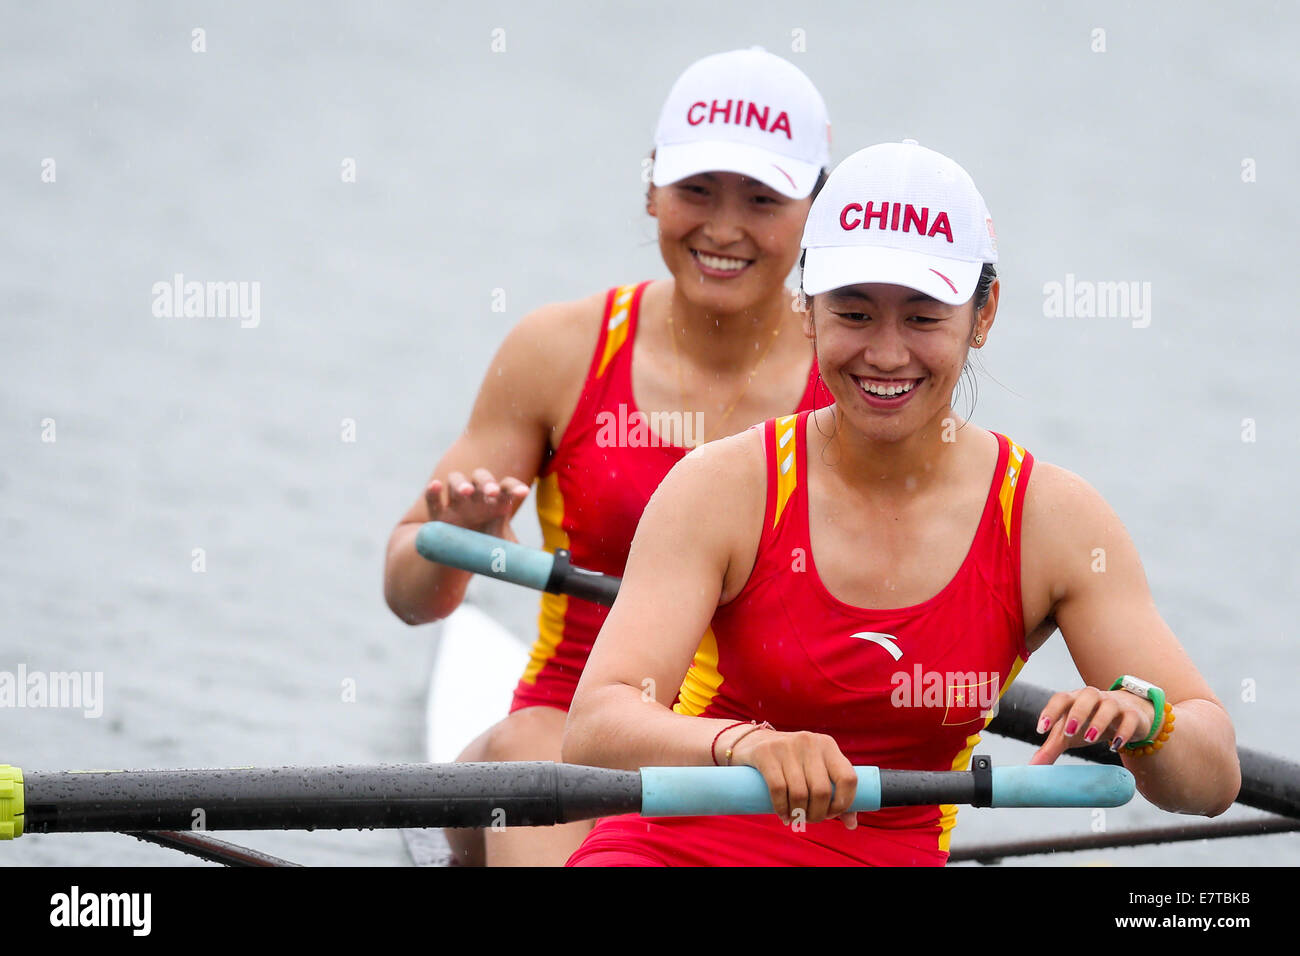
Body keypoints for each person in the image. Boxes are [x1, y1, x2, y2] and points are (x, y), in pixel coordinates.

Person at [563, 141, 1241, 866]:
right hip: (670, 852)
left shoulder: (1052, 522)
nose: (886, 355)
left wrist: (1150, 720)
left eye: (922, 319)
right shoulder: (723, 487)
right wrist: (744, 744)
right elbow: (596, 726)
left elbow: (1213, 780)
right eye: (855, 314)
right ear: (807, 310)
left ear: (983, 315)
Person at [383, 48, 835, 865]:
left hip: (749, 771)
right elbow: (408, 595)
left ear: (815, 211)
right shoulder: (560, 352)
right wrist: (459, 545)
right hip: (565, 748)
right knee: (530, 748)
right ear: (652, 188)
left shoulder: (855, 391)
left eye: (762, 199)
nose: (723, 228)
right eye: (696, 190)